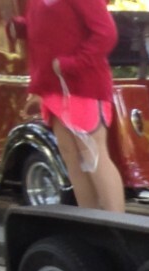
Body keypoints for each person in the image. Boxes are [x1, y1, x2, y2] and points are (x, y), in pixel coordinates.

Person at [15, 0, 125, 212]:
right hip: (55, 89)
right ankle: (90, 222)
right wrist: (38, 89)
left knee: (93, 154)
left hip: (84, 85)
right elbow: (43, 39)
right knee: (71, 157)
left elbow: (106, 34)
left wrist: (74, 63)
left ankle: (117, 226)